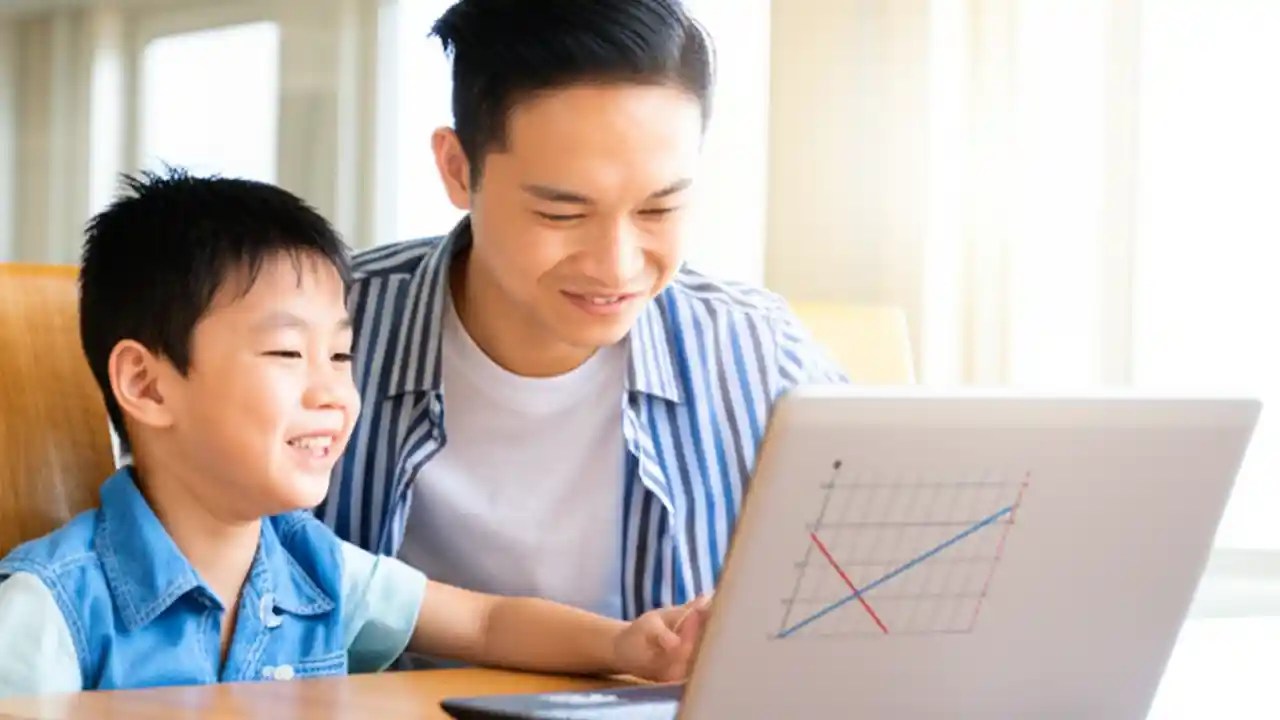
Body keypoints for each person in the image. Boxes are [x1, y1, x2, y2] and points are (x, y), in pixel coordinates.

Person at [0, 171, 709, 699]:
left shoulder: (314, 566)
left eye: (340, 355)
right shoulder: (47, 607)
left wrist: (625, 644)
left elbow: (487, 624)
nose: (332, 392)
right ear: (149, 386)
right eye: (286, 354)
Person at [318, 0, 846, 623]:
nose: (616, 266)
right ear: (458, 170)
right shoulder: (327, 327)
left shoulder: (759, 354)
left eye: (658, 211)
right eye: (561, 214)